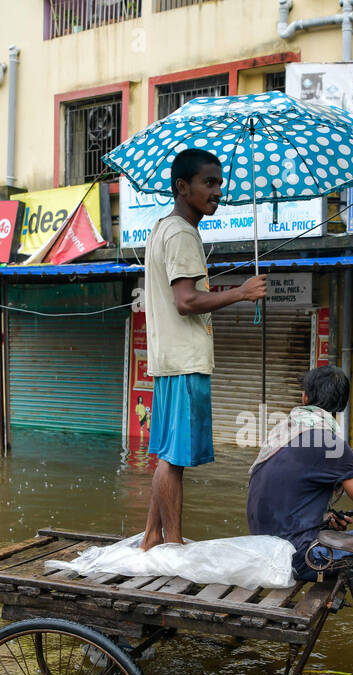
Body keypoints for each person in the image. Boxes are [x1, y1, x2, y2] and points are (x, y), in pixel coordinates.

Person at [140, 148, 267, 551]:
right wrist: (242, 293)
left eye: (219, 183)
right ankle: (173, 543)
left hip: (171, 362)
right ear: (183, 187)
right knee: (173, 458)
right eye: (209, 183)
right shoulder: (181, 233)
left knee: (167, 454)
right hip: (183, 361)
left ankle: (151, 537)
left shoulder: (164, 227)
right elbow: (186, 300)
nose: (218, 192)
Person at [247, 365, 353, 658]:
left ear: (304, 398)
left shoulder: (283, 431)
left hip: (265, 545)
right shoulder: (329, 442)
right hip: (299, 556)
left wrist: (325, 519)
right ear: (341, 406)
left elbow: (283, 498)